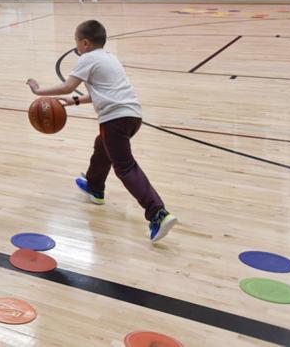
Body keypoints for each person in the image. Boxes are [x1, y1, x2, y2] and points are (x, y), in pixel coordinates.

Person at [26, 19, 177, 243]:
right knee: (102, 147)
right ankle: (95, 188)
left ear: (85, 43)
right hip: (132, 115)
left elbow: (67, 84)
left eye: (76, 41)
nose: (76, 46)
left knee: (125, 167)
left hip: (114, 119)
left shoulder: (87, 58)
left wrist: (39, 91)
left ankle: (157, 213)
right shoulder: (109, 58)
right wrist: (74, 101)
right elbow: (102, 92)